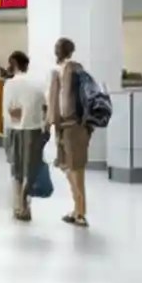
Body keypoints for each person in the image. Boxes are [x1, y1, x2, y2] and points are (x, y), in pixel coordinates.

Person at [48, 37, 91, 227]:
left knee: (74, 169)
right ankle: (77, 209)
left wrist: (50, 123)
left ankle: (80, 212)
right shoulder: (76, 69)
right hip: (76, 126)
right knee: (72, 168)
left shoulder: (63, 71)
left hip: (69, 127)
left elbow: (56, 102)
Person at [3, 51, 47, 222]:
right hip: (34, 129)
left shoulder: (10, 84)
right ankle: (26, 203)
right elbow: (44, 106)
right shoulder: (37, 83)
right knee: (30, 169)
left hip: (15, 129)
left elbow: (9, 110)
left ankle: (18, 206)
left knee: (17, 170)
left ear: (13, 63)